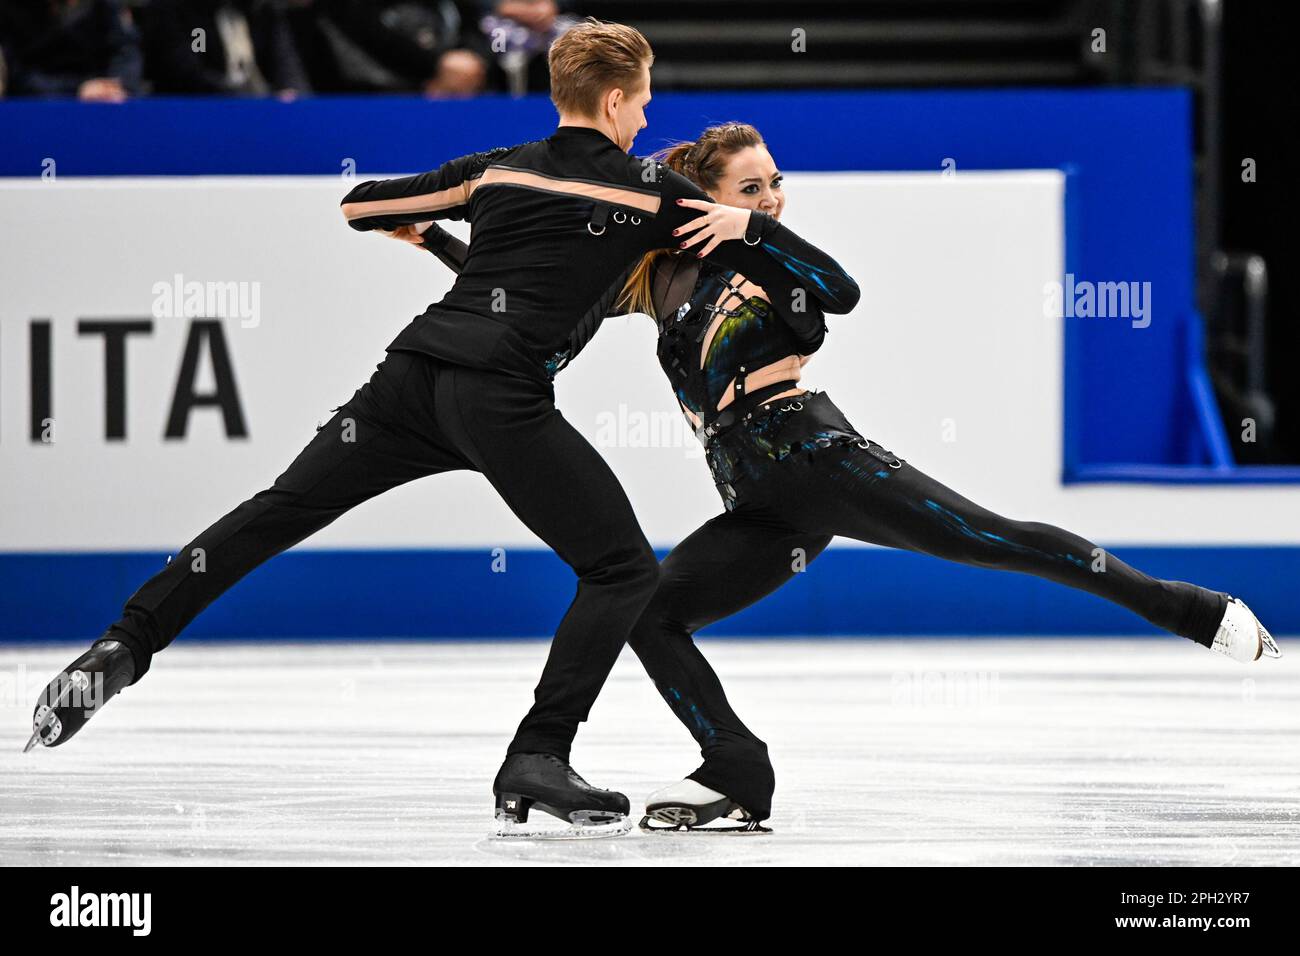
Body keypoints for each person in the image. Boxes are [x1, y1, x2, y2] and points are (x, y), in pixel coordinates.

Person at [26, 23, 853, 839]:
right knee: (623, 569)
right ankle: (537, 755)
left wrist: (426, 232)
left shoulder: (494, 169)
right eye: (640, 102)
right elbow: (835, 290)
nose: (644, 119)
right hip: (502, 401)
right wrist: (753, 226)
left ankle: (122, 647)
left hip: (410, 382)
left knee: (278, 511)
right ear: (611, 100)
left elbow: (362, 205)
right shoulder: (650, 191)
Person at [408, 121, 1282, 833]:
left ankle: (1189, 609)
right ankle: (737, 769)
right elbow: (537, 303)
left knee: (999, 543)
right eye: (751, 188)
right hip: (755, 498)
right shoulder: (660, 277)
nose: (771, 197)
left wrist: (756, 227)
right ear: (701, 193)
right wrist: (437, 240)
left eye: (774, 183)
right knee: (647, 609)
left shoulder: (770, 256)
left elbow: (842, 290)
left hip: (817, 457)